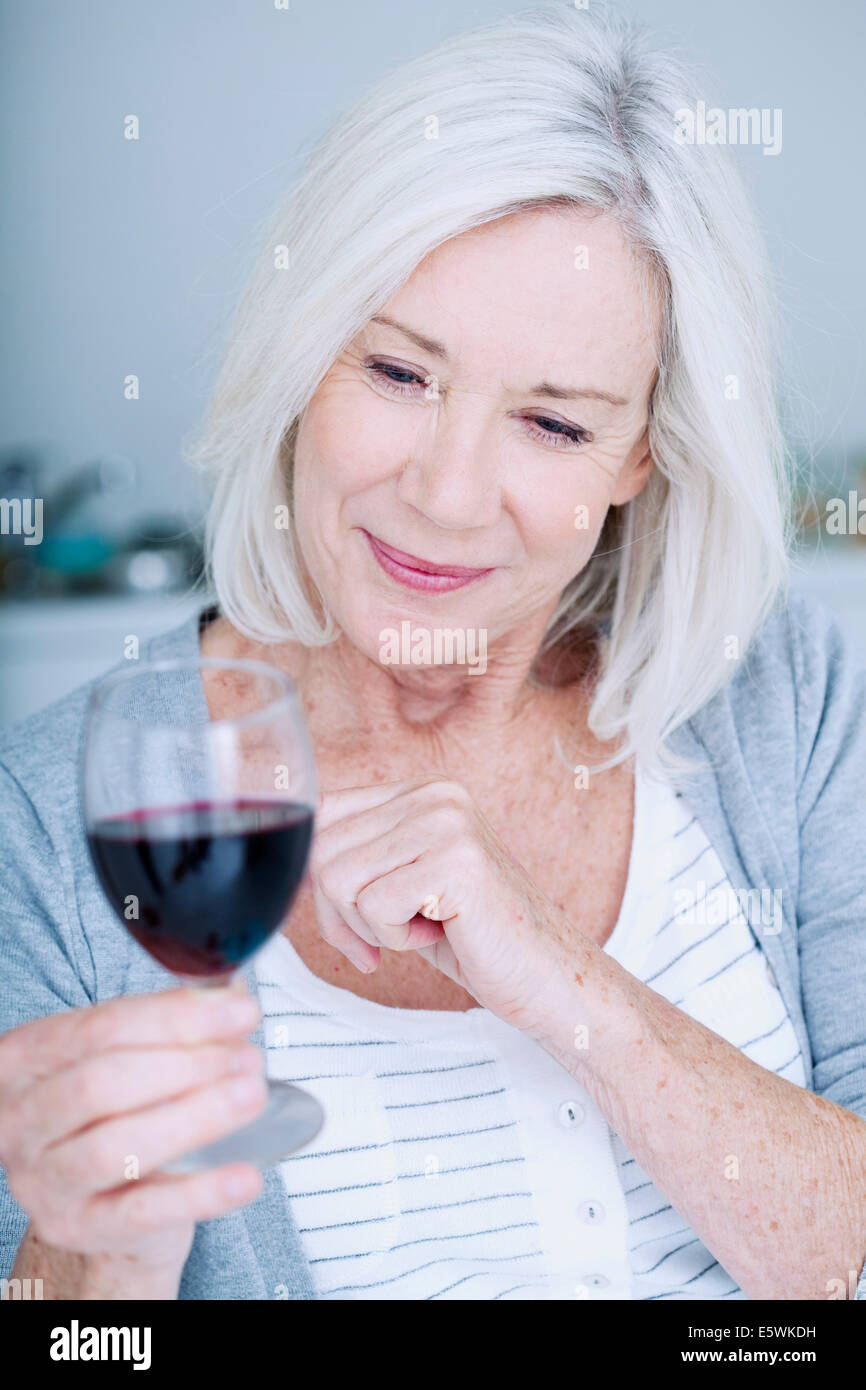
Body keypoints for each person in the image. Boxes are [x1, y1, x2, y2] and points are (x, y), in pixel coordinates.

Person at [1, 3, 865, 1301]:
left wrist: (565, 980)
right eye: (400, 375)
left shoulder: (781, 698)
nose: (450, 494)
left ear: (641, 450)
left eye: (554, 424)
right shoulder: (44, 816)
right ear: (304, 358)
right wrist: (91, 1257)